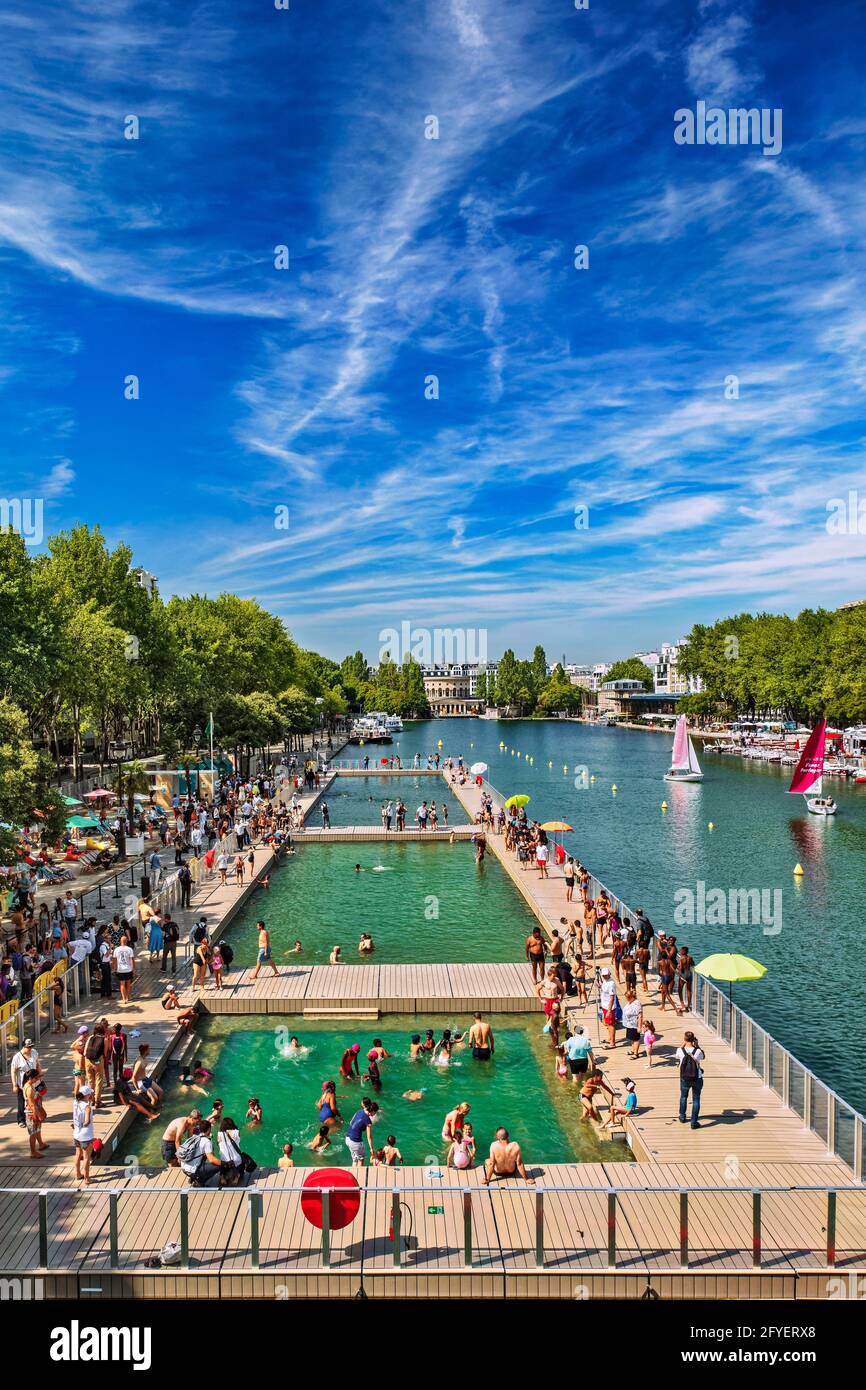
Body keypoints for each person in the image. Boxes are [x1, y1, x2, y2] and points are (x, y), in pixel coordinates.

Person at [177, 1121, 223, 1185]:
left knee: (203, 1155)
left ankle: (193, 1178)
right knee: (219, 1166)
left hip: (184, 1168)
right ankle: (200, 1181)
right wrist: (225, 1163)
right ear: (209, 1129)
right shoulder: (206, 1141)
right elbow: (212, 1160)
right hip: (192, 1171)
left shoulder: (194, 1137)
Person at [677, 1030, 705, 1128]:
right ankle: (693, 1122)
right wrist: (697, 1046)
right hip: (696, 1077)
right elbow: (703, 1056)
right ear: (693, 1040)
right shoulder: (698, 1051)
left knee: (683, 1096)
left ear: (684, 1039)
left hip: (684, 1078)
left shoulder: (680, 1050)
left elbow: (677, 1056)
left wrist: (683, 1044)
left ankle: (682, 1116)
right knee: (696, 1099)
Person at [10, 1039, 41, 1126]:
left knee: (36, 1099)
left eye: (31, 1046)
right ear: (24, 1046)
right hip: (22, 1085)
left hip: (35, 1082)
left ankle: (36, 1116)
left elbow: (38, 1064)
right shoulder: (17, 1057)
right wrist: (14, 1085)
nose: (30, 1048)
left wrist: (40, 1073)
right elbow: (13, 1071)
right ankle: (21, 1120)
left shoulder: (34, 1052)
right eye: (28, 1047)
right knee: (21, 1102)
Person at [345, 1097, 378, 1166]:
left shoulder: (359, 1111)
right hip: (355, 1142)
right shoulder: (368, 1121)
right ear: (372, 1111)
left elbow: (351, 1122)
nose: (375, 1114)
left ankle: (353, 1174)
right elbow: (369, 1137)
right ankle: (359, 1176)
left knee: (355, 1159)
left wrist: (360, 1127)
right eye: (375, 1112)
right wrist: (371, 1148)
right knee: (361, 1159)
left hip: (347, 1138)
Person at [23, 1068, 48, 1159]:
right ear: (31, 1078)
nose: (37, 1079)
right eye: (36, 1077)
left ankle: (41, 1145)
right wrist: (38, 1115)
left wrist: (40, 1077)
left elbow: (41, 1092)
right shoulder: (29, 1089)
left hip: (35, 1110)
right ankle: (33, 1152)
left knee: (37, 1129)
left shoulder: (30, 1085)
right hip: (32, 1113)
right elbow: (32, 1104)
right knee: (32, 1133)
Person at [72, 1085, 95, 1184]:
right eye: (90, 1093)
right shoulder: (87, 1107)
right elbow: (87, 1121)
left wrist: (76, 1124)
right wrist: (84, 1123)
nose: (91, 1094)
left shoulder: (75, 1102)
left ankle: (77, 1174)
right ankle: (87, 1178)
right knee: (86, 1157)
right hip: (85, 1135)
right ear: (87, 1095)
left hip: (76, 1134)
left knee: (78, 1154)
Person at [217, 1116, 245, 1186]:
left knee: (223, 1160)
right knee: (241, 1159)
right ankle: (237, 1176)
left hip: (225, 1161)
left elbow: (218, 1144)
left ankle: (222, 1176)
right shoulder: (236, 1132)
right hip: (236, 1161)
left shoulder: (219, 1134)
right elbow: (238, 1142)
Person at [113, 934, 136, 1004]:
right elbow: (132, 960)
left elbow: (114, 960)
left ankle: (124, 998)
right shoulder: (129, 949)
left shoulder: (116, 949)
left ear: (120, 941)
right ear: (126, 942)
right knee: (128, 983)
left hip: (120, 969)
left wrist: (115, 968)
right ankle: (128, 997)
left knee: (122, 984)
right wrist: (134, 969)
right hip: (128, 969)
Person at [622, 989, 643, 1060]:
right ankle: (633, 1050)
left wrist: (639, 1027)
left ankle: (636, 1053)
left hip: (634, 1024)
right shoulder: (630, 1002)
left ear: (631, 997)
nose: (626, 999)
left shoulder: (637, 1003)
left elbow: (640, 1015)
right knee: (631, 1038)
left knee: (636, 1039)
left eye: (627, 997)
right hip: (629, 1024)